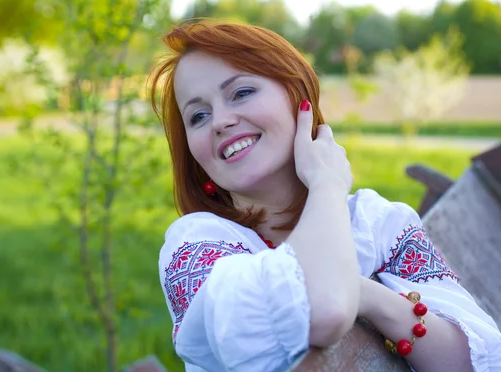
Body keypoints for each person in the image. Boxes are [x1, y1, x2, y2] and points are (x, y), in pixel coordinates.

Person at [148, 20, 501, 372]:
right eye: (198, 115)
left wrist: (371, 298)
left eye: (241, 93)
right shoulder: (196, 247)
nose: (220, 122)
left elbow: (472, 363)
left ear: (297, 97)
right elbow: (325, 312)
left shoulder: (377, 223)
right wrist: (328, 186)